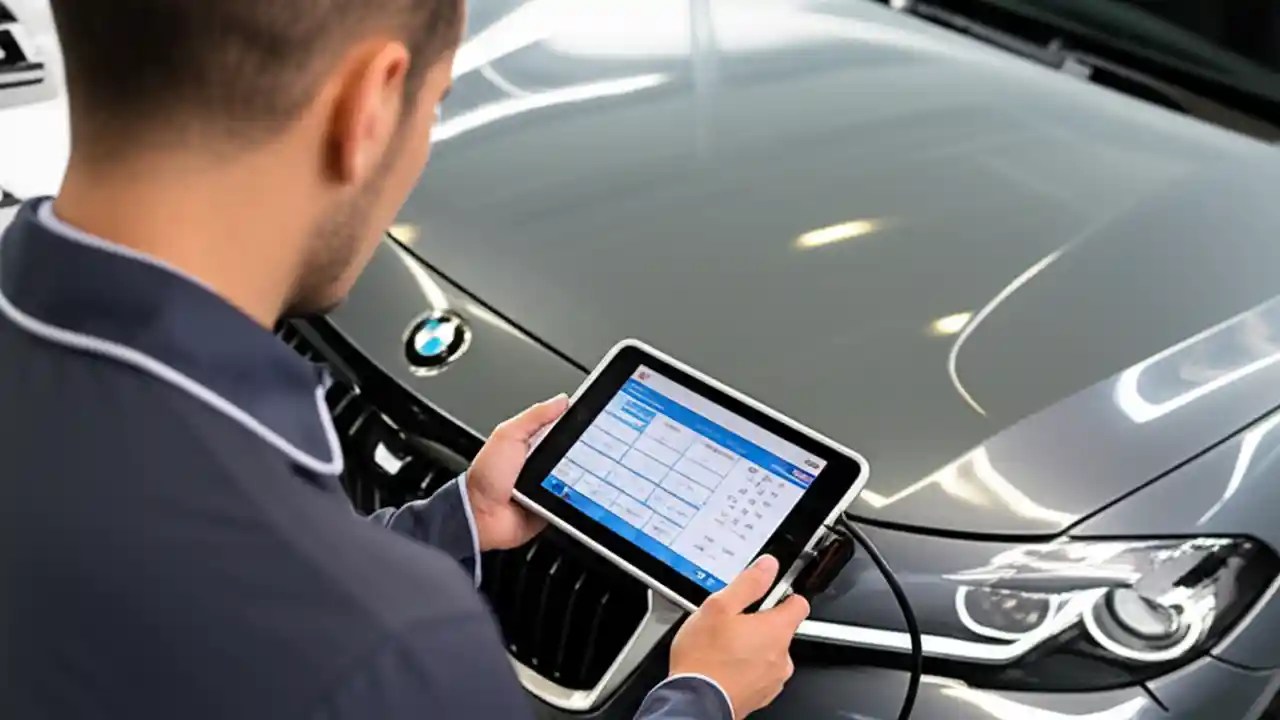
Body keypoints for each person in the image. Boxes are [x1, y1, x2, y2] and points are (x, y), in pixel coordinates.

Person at [0, 2, 811, 719]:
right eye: (435, 104)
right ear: (372, 102)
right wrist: (700, 695)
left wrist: (449, 522)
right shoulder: (391, 652)